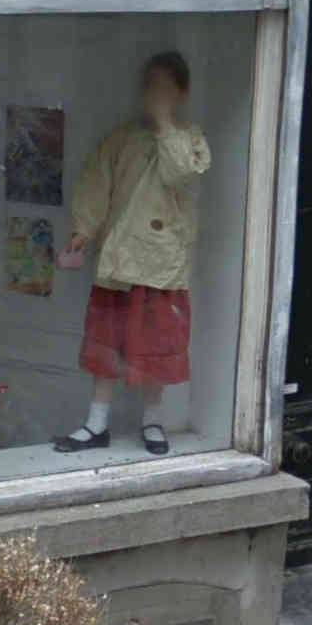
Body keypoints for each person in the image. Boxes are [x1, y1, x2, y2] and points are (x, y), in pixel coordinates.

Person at [55, 51, 211, 456]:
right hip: (120, 261)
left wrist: (164, 124)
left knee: (155, 348)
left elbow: (180, 173)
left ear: (181, 92)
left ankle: (152, 420)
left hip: (161, 264)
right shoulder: (121, 138)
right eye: (150, 87)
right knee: (106, 342)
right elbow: (96, 184)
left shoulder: (191, 139)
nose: (155, 95)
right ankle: (96, 423)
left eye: (164, 88)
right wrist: (83, 229)